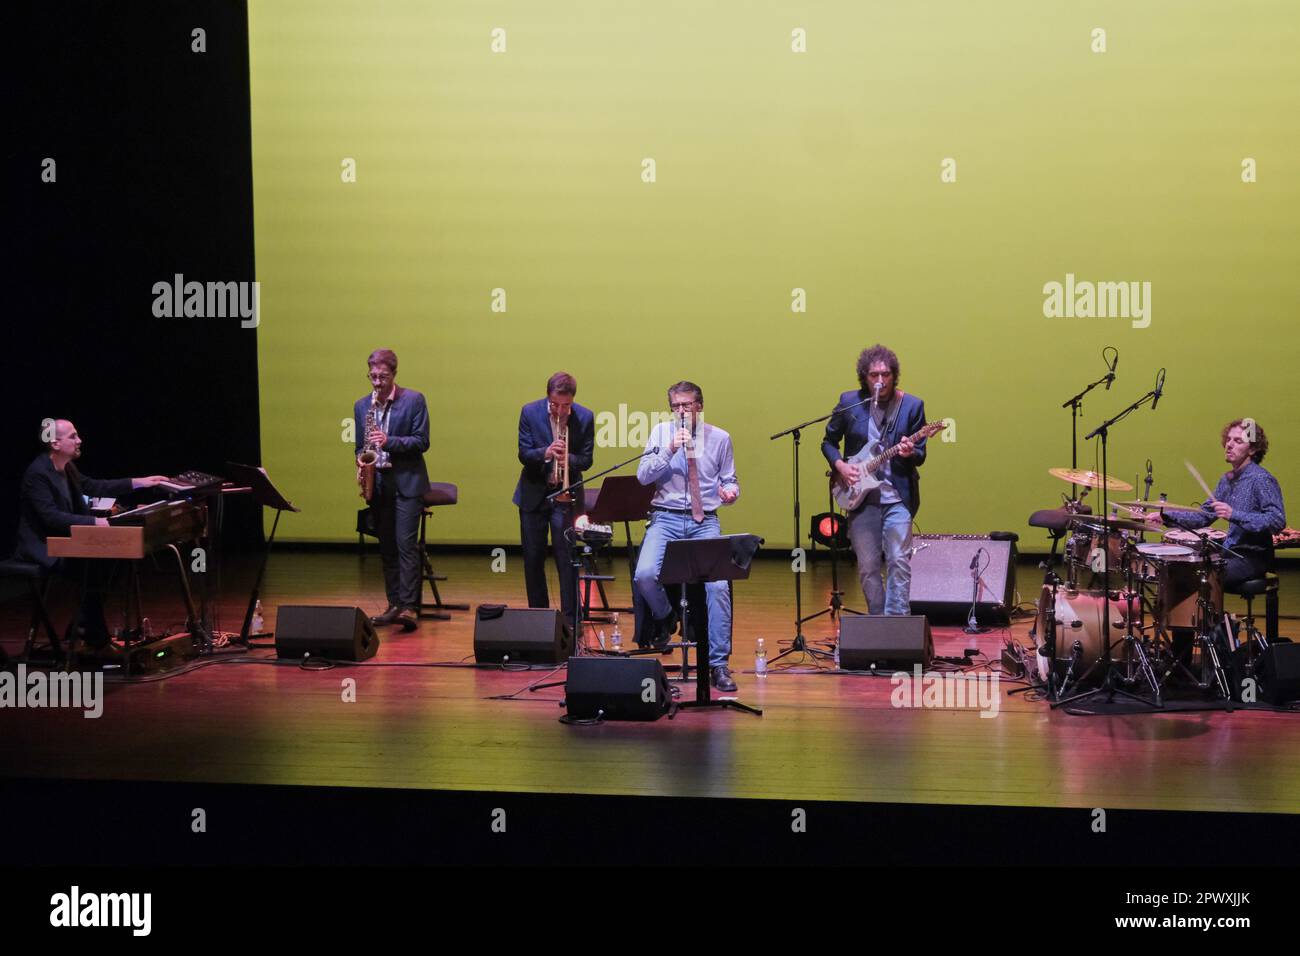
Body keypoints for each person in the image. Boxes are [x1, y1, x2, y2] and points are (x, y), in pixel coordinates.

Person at [14, 419, 168, 646]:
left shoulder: (67, 468)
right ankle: (96, 637)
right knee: (93, 567)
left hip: (66, 542)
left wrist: (139, 482)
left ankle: (85, 625)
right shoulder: (38, 474)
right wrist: (95, 522)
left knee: (116, 561)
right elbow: (51, 518)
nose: (80, 440)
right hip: (43, 548)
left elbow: (94, 486)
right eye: (73, 436)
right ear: (55, 443)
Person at [633, 381, 741, 692]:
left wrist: (730, 493)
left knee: (718, 586)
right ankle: (667, 619)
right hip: (665, 518)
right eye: (676, 406)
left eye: (687, 405)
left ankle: (718, 664)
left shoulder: (720, 438)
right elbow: (643, 476)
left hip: (704, 520)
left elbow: (730, 480)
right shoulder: (661, 434)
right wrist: (669, 450)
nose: (681, 411)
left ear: (699, 407)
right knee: (644, 574)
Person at [822, 344, 928, 615]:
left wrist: (908, 451)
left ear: (894, 375)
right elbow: (828, 442)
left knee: (898, 561)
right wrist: (840, 466)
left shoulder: (912, 406)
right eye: (873, 375)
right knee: (868, 568)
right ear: (864, 377)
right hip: (861, 498)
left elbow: (920, 455)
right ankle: (879, 623)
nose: (880, 380)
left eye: (886, 374)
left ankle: (896, 626)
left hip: (897, 497)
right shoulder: (850, 403)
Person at [1151, 419, 1285, 590]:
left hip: (1252, 558)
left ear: (1252, 449)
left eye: (1238, 441)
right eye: (1228, 439)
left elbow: (1277, 520)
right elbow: (1203, 516)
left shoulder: (1261, 479)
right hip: (1229, 553)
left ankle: (1210, 617)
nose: (1229, 445)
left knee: (1201, 576)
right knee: (1182, 568)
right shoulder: (1227, 480)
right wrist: (1165, 516)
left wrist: (1233, 514)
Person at [354, 349, 430, 631]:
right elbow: (360, 446)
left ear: (394, 374)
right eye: (372, 376)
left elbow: (422, 441)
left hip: (407, 482)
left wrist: (389, 441)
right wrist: (361, 462)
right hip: (380, 482)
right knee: (386, 546)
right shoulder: (362, 406)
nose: (377, 382)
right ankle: (394, 603)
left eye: (382, 376)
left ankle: (410, 607)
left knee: (405, 544)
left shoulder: (413, 400)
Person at [513, 372, 595, 623]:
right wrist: (546, 452)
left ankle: (571, 621)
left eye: (566, 405)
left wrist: (566, 457)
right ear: (548, 397)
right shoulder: (529, 412)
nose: (560, 411)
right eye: (555, 404)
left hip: (565, 497)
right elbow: (524, 454)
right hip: (534, 495)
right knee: (533, 558)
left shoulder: (585, 417)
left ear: (573, 400)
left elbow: (587, 460)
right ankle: (539, 619)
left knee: (566, 559)